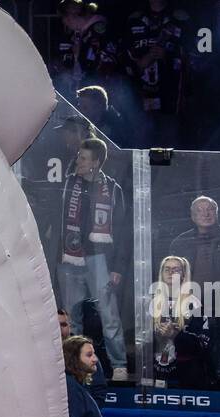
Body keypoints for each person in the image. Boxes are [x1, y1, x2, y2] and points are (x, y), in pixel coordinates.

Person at [57, 137, 129, 380]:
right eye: (79, 156)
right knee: (71, 316)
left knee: (109, 315)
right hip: (68, 258)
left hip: (100, 259)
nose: (78, 160)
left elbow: (122, 231)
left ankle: (118, 364)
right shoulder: (67, 185)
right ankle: (73, 365)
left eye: (84, 158)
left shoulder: (113, 189)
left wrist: (117, 266)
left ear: (96, 163)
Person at [167, 196, 220, 385]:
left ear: (217, 213)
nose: (206, 213)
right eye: (200, 210)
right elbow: (171, 276)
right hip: (191, 305)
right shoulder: (180, 242)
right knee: (192, 356)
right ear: (192, 216)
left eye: (210, 209)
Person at [122, 0, 192, 147]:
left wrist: (168, 54)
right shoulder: (134, 20)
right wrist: (142, 61)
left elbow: (194, 53)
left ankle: (167, 170)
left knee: (167, 141)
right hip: (141, 93)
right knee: (141, 140)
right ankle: (141, 169)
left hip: (170, 94)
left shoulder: (180, 19)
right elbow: (125, 55)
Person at [149, 255, 206, 387]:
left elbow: (200, 344)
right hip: (157, 369)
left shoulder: (193, 303)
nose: (171, 273)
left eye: (176, 270)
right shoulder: (152, 303)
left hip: (185, 372)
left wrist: (175, 335)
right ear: (161, 274)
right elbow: (143, 339)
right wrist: (157, 334)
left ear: (183, 275)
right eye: (167, 269)